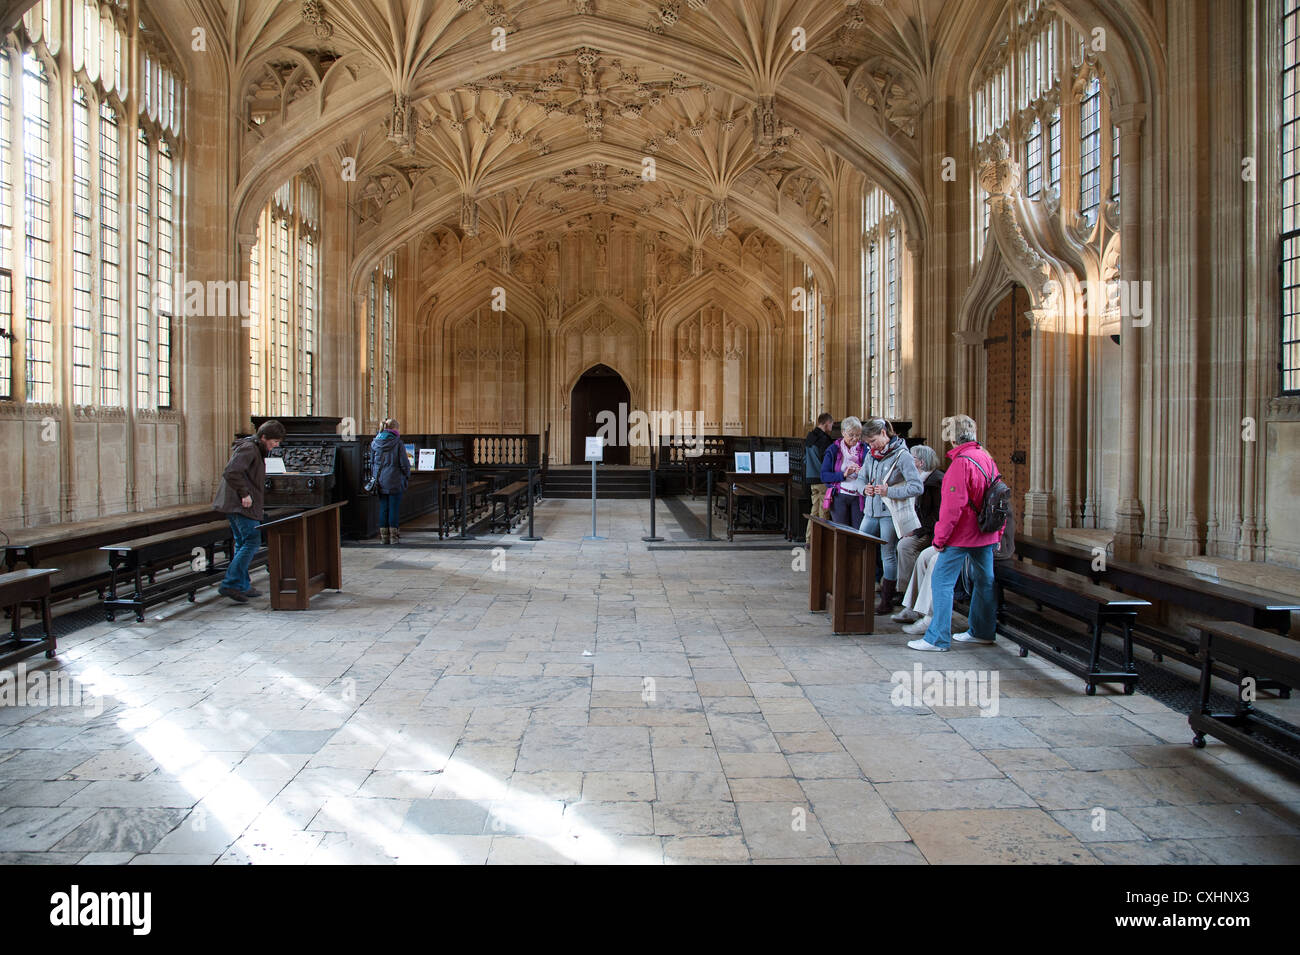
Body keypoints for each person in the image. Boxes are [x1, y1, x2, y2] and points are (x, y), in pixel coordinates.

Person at [908, 414, 1004, 652]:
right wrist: (998, 534)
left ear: (952, 438)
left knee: (941, 581)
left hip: (963, 535)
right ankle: (981, 631)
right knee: (984, 581)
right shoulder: (986, 457)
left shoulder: (961, 463)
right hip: (986, 534)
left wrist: (939, 539)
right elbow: (999, 497)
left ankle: (937, 638)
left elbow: (952, 508)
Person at [213, 419, 286, 603]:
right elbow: (231, 472)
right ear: (263, 437)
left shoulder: (255, 449)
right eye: (274, 441)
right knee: (252, 542)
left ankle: (242, 585)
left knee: (242, 543)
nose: (275, 446)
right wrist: (245, 494)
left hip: (239, 504)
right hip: (240, 505)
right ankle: (230, 583)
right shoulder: (249, 448)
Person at [856, 418, 922, 614]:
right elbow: (861, 478)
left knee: (888, 555)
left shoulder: (902, 455)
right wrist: (863, 489)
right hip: (870, 511)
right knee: (858, 547)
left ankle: (886, 600)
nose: (871, 445)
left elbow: (917, 486)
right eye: (867, 443)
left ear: (884, 433)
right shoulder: (871, 454)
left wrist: (889, 492)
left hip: (889, 514)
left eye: (873, 440)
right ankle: (860, 592)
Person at [892, 444, 943, 624]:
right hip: (923, 529)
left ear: (920, 463)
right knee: (898, 542)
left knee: (905, 547)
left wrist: (915, 531)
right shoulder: (919, 479)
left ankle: (907, 595)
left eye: (911, 459)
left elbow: (937, 518)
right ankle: (906, 596)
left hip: (933, 533)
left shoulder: (935, 483)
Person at [820, 416, 866, 528]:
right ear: (843, 432)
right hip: (839, 497)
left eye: (858, 435)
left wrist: (862, 472)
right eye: (851, 435)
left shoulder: (865, 449)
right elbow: (824, 476)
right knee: (842, 531)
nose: (855, 439)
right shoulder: (833, 450)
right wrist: (844, 474)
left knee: (858, 532)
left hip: (859, 496)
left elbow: (872, 472)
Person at [371, 418, 411, 544]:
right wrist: (407, 474)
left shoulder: (375, 442)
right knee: (393, 508)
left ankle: (384, 538)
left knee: (383, 507)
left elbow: (373, 463)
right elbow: (404, 463)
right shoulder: (397, 442)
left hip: (380, 479)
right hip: (394, 479)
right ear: (395, 429)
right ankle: (394, 537)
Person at [803, 412, 834, 540]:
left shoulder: (810, 436)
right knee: (824, 512)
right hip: (822, 480)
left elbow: (805, 459)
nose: (832, 427)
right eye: (831, 424)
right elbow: (826, 461)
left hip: (811, 478)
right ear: (827, 423)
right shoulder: (824, 440)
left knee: (814, 511)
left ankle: (809, 538)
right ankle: (820, 541)